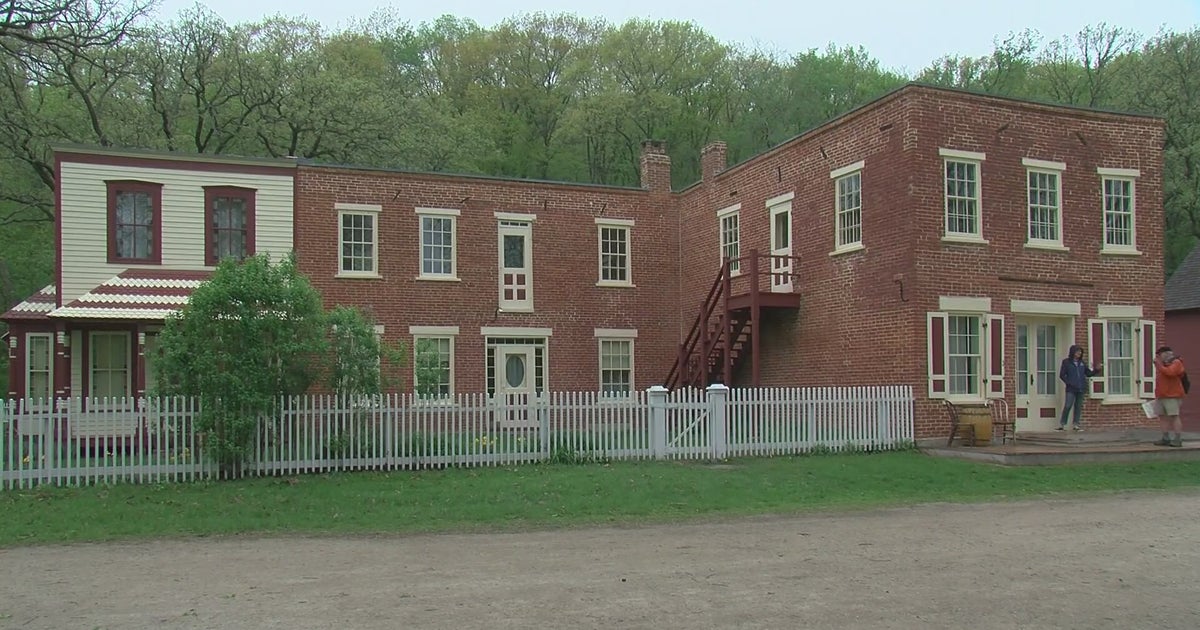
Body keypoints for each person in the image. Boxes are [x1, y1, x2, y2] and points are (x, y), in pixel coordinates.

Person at [1058, 345, 1100, 431]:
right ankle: (1062, 424)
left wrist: (1096, 370)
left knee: (1078, 406)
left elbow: (1088, 374)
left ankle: (1076, 424)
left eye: (1080, 352)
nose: (1079, 353)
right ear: (1073, 352)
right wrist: (1069, 382)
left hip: (1081, 388)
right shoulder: (1066, 362)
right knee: (1068, 405)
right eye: (1077, 351)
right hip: (1071, 389)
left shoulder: (1082, 363)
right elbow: (1062, 375)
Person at [1153, 346, 1186, 447]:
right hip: (1162, 395)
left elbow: (1170, 373)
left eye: (1159, 355)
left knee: (1174, 416)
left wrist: (1158, 365)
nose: (1158, 357)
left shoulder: (1176, 362)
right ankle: (1165, 437)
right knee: (1162, 417)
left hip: (1172, 395)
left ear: (1166, 353)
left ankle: (1177, 438)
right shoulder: (1163, 365)